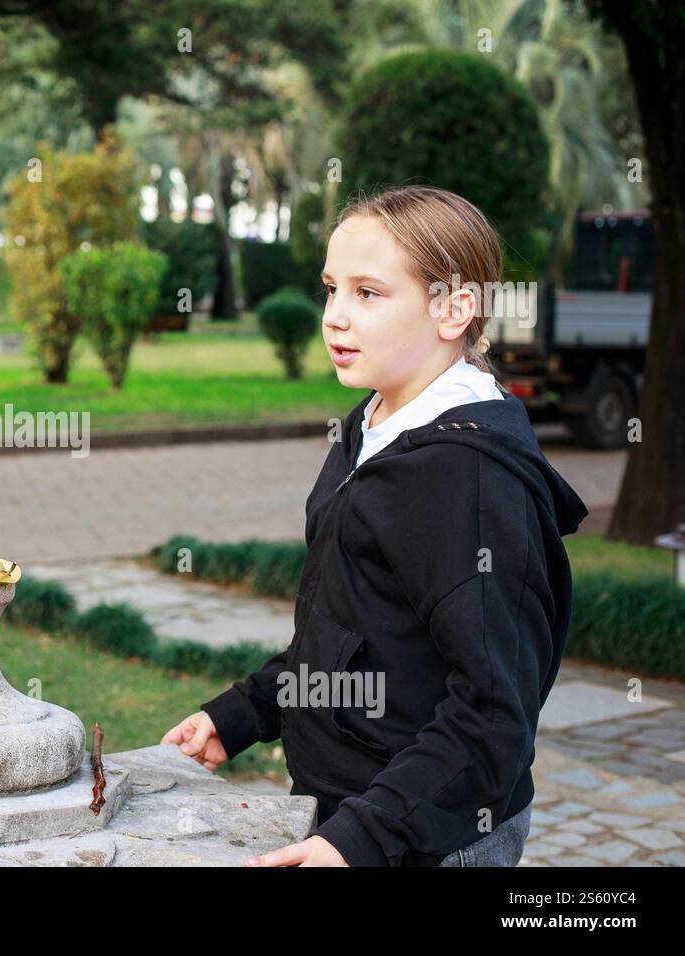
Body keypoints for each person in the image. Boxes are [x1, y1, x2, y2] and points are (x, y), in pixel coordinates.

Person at [162, 185, 588, 867]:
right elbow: (350, 634)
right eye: (331, 289)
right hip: (343, 816)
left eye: (368, 294)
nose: (334, 317)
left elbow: (493, 715)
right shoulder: (369, 427)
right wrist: (241, 714)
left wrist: (360, 842)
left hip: (428, 842)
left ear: (454, 309)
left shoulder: (470, 479)